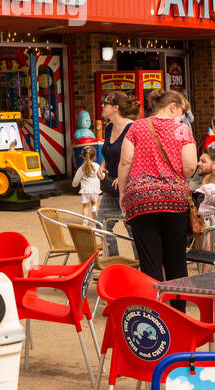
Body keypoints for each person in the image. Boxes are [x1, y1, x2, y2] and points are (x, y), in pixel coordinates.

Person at [118, 89, 197, 290]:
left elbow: (126, 162)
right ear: (173, 107)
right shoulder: (182, 131)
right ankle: (178, 309)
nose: (183, 116)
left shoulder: (137, 126)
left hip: (141, 198)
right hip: (175, 200)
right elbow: (190, 166)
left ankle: (153, 312)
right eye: (182, 111)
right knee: (176, 260)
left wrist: (123, 192)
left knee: (150, 261)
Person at [97, 90, 138, 259]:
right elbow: (109, 152)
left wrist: (125, 178)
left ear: (115, 108)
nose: (102, 106)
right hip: (110, 186)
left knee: (134, 230)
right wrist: (102, 166)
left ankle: (142, 266)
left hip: (128, 188)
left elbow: (139, 158)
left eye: (105, 103)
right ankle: (113, 263)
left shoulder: (133, 128)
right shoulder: (109, 128)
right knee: (101, 225)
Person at [72, 146, 103, 220]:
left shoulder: (82, 168)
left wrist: (74, 184)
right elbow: (102, 176)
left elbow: (76, 179)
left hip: (85, 190)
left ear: (83, 156)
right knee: (94, 202)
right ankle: (94, 209)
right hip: (95, 189)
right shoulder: (97, 166)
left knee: (85, 206)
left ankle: (85, 222)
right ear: (95, 157)